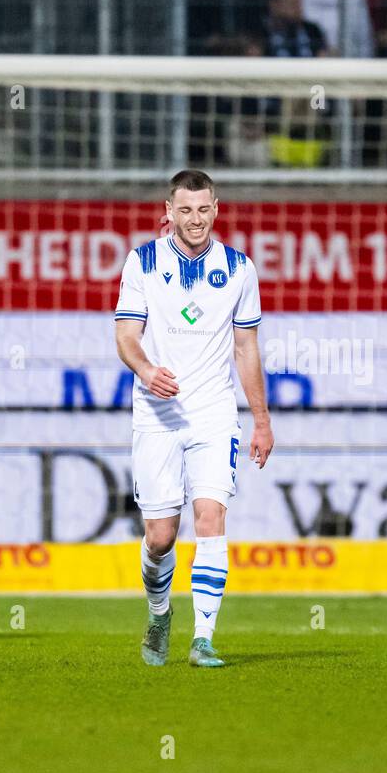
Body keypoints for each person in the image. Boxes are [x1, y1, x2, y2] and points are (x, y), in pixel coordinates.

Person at [114, 170, 275, 667]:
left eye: (204, 209)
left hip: (213, 413)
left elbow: (246, 348)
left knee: (211, 517)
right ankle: (159, 614)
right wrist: (145, 369)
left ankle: (203, 637)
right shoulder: (142, 262)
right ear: (168, 211)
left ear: (217, 208)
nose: (196, 219)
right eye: (185, 210)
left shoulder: (240, 269)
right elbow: (125, 335)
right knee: (161, 536)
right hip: (158, 416)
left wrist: (262, 422)